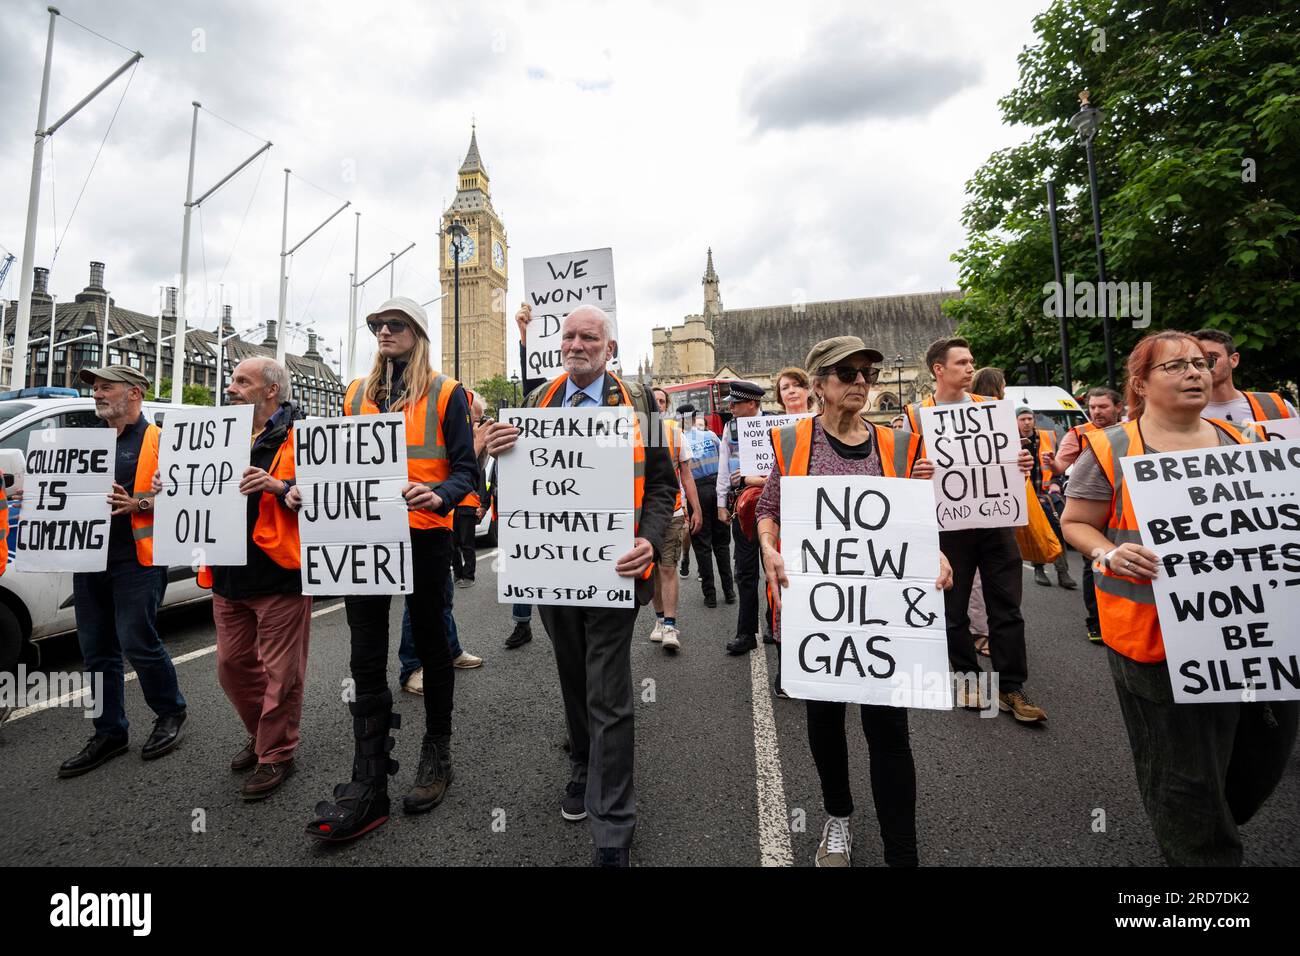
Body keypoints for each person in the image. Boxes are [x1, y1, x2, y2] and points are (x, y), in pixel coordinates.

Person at [1061, 330, 1298, 865]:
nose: (1195, 372)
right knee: (1183, 776)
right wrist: (1107, 554)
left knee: (1263, 757)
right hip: (1155, 647)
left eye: (1199, 363)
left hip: (1250, 637)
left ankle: (1205, 825)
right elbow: (1076, 522)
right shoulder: (1110, 448)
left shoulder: (1246, 443)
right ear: (1140, 383)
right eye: (1176, 367)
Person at [486, 303, 676, 867]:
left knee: (609, 690)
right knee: (573, 674)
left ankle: (613, 824)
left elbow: (662, 486)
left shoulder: (646, 405)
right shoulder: (535, 403)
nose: (576, 345)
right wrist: (497, 451)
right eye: (568, 336)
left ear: (609, 348)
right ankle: (583, 763)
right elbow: (517, 480)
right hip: (553, 573)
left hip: (616, 571)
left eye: (588, 337)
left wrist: (649, 539)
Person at [757, 336, 952, 866]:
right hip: (818, 614)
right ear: (818, 385)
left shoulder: (900, 444)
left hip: (883, 617)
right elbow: (767, 509)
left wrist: (934, 555)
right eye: (847, 374)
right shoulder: (792, 442)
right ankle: (838, 818)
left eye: (867, 373)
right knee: (825, 722)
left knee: (889, 731)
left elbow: (914, 523)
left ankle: (901, 853)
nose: (861, 383)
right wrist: (769, 547)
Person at [302, 297, 477, 842]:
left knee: (430, 646)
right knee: (365, 656)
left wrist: (440, 494)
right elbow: (333, 461)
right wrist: (300, 491)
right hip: (364, 539)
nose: (383, 331)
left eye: (394, 324)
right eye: (376, 325)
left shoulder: (446, 392)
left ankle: (436, 753)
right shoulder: (355, 392)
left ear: (417, 333)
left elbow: (468, 470)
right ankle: (369, 776)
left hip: (424, 537)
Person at [904, 338, 1043, 722]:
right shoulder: (916, 416)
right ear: (938, 370)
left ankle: (1012, 687)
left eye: (971, 362)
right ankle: (968, 679)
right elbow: (904, 471)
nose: (970, 368)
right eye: (962, 362)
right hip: (949, 528)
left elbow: (1008, 460)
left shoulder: (991, 410)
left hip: (996, 521)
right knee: (953, 610)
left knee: (1008, 608)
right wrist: (916, 473)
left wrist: (1023, 462)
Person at [58, 367, 187, 778]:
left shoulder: (161, 440)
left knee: (137, 640)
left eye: (105, 386)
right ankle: (109, 731)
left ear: (134, 393)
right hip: (90, 559)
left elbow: (191, 497)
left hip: (138, 559)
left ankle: (171, 713)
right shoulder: (87, 442)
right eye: (94, 387)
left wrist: (141, 504)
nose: (96, 392)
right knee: (96, 650)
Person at [201, 357, 307, 800]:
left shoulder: (303, 438)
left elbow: (325, 495)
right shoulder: (216, 436)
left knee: (282, 674)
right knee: (231, 668)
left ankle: (276, 752)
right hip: (227, 575)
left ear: (270, 390)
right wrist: (172, 487)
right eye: (231, 380)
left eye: (242, 382)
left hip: (278, 575)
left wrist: (280, 487)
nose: (231, 388)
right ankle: (263, 733)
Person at [1054, 386, 1124, 644]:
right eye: (1092, 407)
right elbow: (1060, 465)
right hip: (1090, 511)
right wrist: (1051, 463)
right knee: (1093, 564)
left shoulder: (1132, 432)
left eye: (1102, 407)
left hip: (1121, 513)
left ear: (1118, 407)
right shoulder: (1079, 433)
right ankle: (1096, 622)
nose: (1095, 412)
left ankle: (1119, 620)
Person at [718, 380, 775, 655]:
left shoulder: (777, 424)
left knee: (774, 569)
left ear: (752, 403)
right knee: (745, 571)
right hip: (743, 507)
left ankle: (773, 624)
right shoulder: (729, 429)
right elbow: (721, 469)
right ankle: (746, 633)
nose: (731, 408)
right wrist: (720, 503)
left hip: (775, 506)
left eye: (735, 404)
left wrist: (757, 479)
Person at [649, 387, 701, 653]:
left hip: (672, 511)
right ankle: (658, 619)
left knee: (667, 567)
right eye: (653, 400)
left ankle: (670, 625)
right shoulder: (630, 433)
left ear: (666, 405)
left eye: (661, 401)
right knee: (653, 570)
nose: (657, 405)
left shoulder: (674, 433)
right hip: (642, 516)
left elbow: (687, 475)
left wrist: (696, 508)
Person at [967, 367, 1008, 655]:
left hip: (989, 502)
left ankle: (984, 629)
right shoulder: (993, 414)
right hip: (982, 504)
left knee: (980, 577)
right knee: (982, 577)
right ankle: (982, 631)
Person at [1018, 406, 1076, 590]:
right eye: (1022, 419)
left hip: (1048, 495)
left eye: (1029, 418)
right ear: (1016, 422)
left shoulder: (1048, 436)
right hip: (1026, 495)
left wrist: (1056, 483)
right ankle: (1039, 569)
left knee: (1057, 531)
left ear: (1034, 420)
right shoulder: (1010, 440)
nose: (1027, 422)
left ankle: (1062, 571)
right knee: (1035, 533)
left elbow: (1059, 464)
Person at [682, 406, 732, 608]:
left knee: (702, 546)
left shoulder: (680, 439)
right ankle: (729, 592)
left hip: (697, 492)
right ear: (696, 418)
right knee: (722, 544)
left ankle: (710, 596)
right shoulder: (711, 435)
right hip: (717, 488)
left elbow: (682, 475)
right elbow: (724, 463)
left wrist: (686, 503)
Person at [1192, 329, 1297, 422]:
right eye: (1198, 360)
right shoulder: (1182, 415)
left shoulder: (1274, 407)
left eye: (1213, 357)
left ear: (1234, 360)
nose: (1205, 364)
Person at [451, 393, 489, 587]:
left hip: (467, 504)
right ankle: (457, 574)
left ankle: (468, 576)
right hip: (450, 504)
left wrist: (482, 504)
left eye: (480, 417)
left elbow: (481, 475)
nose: (477, 421)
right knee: (453, 544)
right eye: (475, 416)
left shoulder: (479, 443)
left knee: (467, 543)